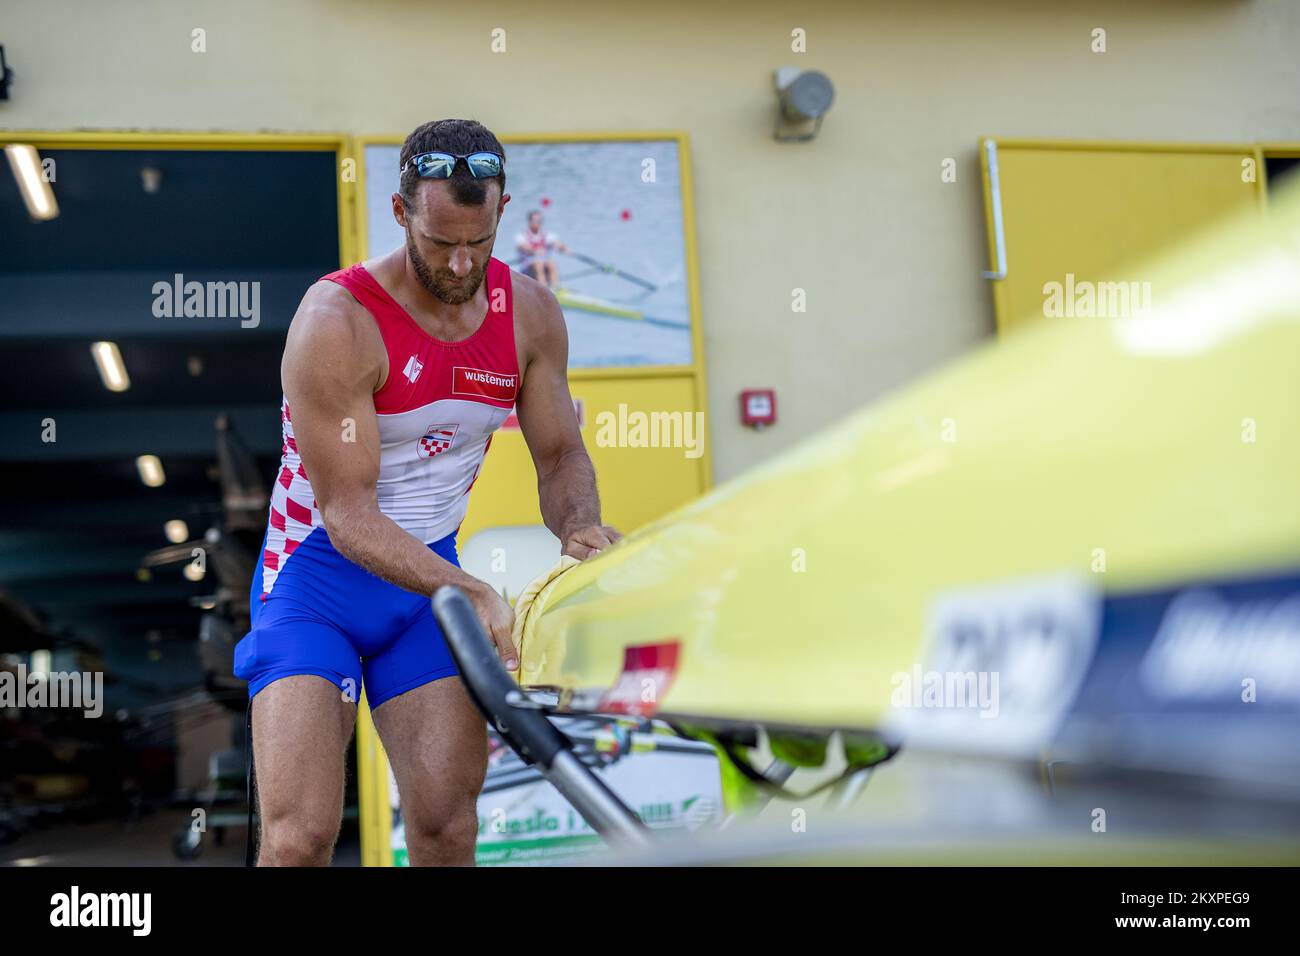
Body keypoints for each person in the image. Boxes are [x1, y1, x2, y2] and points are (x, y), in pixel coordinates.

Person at [233, 118, 620, 866]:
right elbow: (348, 516)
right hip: (315, 584)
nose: (461, 262)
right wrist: (472, 592)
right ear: (400, 212)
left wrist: (580, 527)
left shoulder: (530, 315)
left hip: (423, 595)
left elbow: (561, 451)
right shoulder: (337, 321)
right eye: (441, 243)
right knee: (300, 836)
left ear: (503, 210)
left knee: (446, 826)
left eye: (478, 242)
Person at [515, 209, 568, 287]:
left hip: (544, 263)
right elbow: (523, 247)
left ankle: (556, 288)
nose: (538, 223)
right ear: (529, 222)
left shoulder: (547, 235)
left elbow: (557, 243)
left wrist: (562, 247)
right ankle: (543, 288)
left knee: (552, 263)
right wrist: (535, 251)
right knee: (538, 264)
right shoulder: (521, 236)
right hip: (527, 266)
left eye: (539, 221)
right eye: (535, 221)